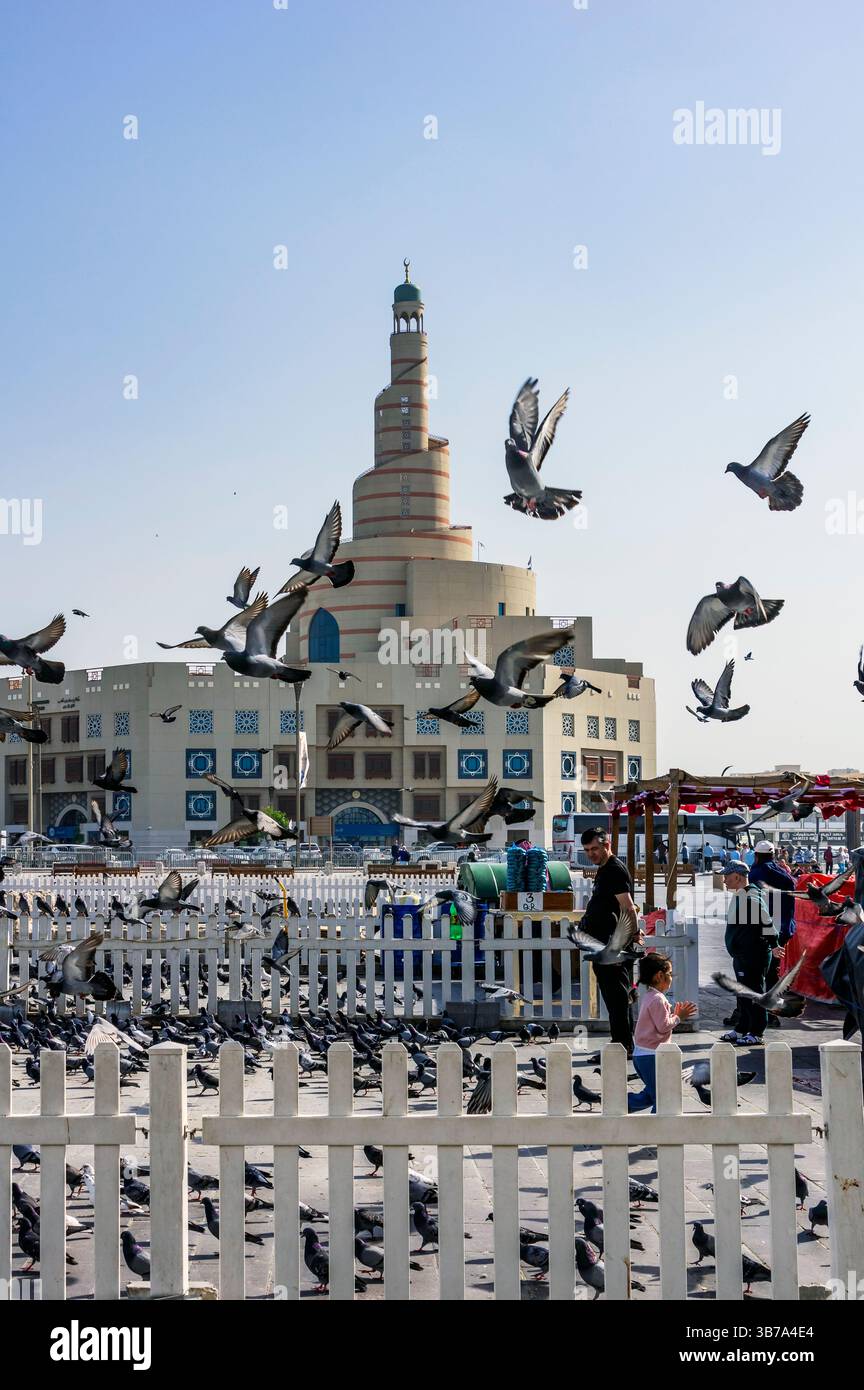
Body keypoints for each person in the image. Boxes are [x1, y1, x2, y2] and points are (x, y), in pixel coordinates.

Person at [579, 826, 642, 1056]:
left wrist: (626, 941)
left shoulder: (614, 870)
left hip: (612, 948)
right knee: (618, 999)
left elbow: (629, 907)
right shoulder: (605, 870)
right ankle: (622, 1045)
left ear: (607, 845)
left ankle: (622, 1047)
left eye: (595, 848)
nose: (591, 854)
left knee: (617, 1001)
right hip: (605, 946)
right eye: (586, 850)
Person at [720, 860, 782, 1045]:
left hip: (753, 954)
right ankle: (742, 1028)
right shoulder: (741, 895)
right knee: (743, 994)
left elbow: (766, 921)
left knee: (754, 993)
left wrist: (775, 944)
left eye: (726, 876)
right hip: (742, 954)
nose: (724, 880)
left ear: (737, 877)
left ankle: (757, 1032)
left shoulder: (750, 897)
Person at [628, 953, 696, 1112]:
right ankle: (657, 1126)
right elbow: (663, 1026)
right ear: (659, 976)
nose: (672, 977)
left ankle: (621, 1104)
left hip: (642, 1054)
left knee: (652, 1093)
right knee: (661, 1094)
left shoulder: (650, 996)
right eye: (670, 974)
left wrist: (674, 1015)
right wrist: (679, 1017)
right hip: (651, 1055)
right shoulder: (659, 999)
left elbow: (658, 1024)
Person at [748, 839, 796, 1029]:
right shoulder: (783, 873)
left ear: (757, 855)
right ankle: (772, 1010)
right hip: (784, 928)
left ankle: (763, 1011)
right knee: (773, 970)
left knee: (760, 971)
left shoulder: (756, 873)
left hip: (765, 930)